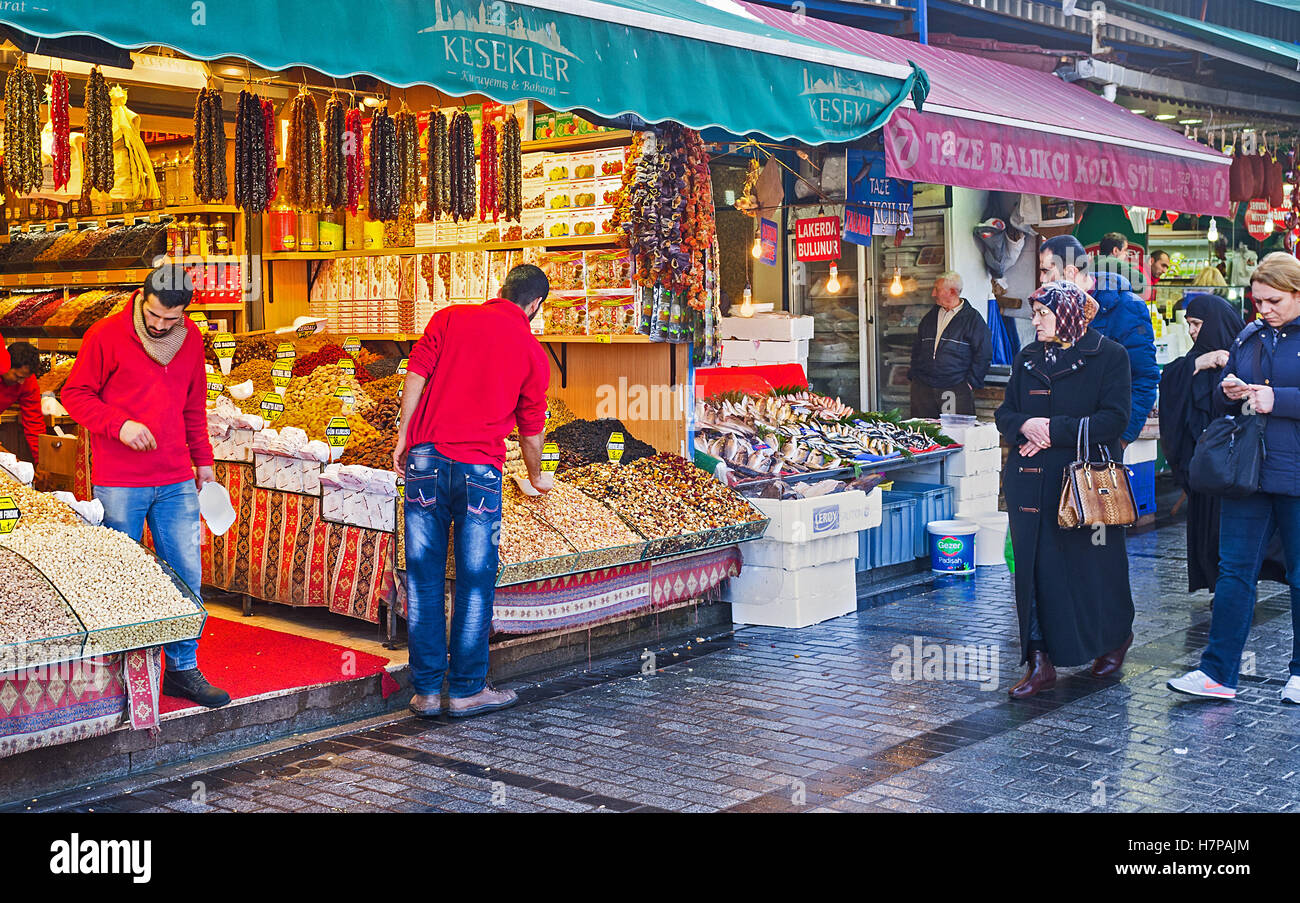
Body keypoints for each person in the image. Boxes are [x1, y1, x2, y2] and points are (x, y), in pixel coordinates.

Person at [61, 265, 230, 708]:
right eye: (153, 316)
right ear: (142, 296)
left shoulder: (191, 340)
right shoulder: (106, 333)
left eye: (170, 320)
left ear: (185, 314)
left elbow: (194, 405)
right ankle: (116, 673)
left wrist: (204, 462)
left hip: (175, 477)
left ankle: (182, 668)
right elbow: (75, 394)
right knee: (120, 578)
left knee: (185, 575)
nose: (159, 326)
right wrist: (119, 424)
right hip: (119, 480)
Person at [394, 264, 552, 719]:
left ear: (498, 291)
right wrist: (537, 476)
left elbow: (415, 374)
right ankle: (465, 690)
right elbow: (531, 431)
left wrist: (404, 434)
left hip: (425, 459)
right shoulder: (531, 351)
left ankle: (425, 692)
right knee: (475, 582)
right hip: (480, 470)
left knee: (423, 579)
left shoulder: (449, 318)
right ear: (535, 305)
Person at [1169, 253, 1300, 702]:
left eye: (1274, 300)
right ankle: (1218, 673)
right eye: (1258, 300)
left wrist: (1275, 399)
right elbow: (1229, 388)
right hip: (1248, 474)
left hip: (1296, 474)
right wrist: (1230, 390)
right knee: (1234, 572)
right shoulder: (1250, 334)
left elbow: (1275, 399)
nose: (1263, 308)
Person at [996, 280, 1136, 699]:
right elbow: (1006, 412)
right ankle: (1040, 661)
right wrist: (1024, 425)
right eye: (1035, 313)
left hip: (1086, 485)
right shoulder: (1027, 357)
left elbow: (1114, 420)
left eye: (1042, 313)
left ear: (1068, 314)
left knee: (1095, 568)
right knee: (1034, 573)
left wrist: (1051, 430)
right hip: (1029, 483)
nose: (1034, 321)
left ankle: (1113, 637)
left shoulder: (1110, 356)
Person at [1158, 294, 1285, 594]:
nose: (1192, 331)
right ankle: (1222, 586)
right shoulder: (1192, 362)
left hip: (1239, 465)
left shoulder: (1248, 352)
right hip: (1206, 467)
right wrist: (1197, 364)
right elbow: (1171, 387)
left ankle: (1235, 588)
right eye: (1189, 324)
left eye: (1197, 324)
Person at [1040, 234, 1157, 448]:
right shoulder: (1053, 308)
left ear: (1070, 272)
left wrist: (1121, 438)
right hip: (1059, 438)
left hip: (1101, 441)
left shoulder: (1128, 307)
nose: (1042, 280)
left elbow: (1144, 379)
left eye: (1046, 271)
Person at [908, 271, 992, 418]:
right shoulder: (930, 317)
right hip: (924, 387)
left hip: (954, 388)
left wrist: (970, 383)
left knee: (954, 434)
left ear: (952, 292)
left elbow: (984, 353)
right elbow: (917, 348)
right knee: (923, 431)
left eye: (937, 290)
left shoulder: (972, 319)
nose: (933, 294)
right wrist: (915, 375)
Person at [0, 341, 45, 465]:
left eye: (24, 378)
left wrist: (41, 461)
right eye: (17, 376)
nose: (21, 382)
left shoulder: (27, 381)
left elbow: (34, 422)